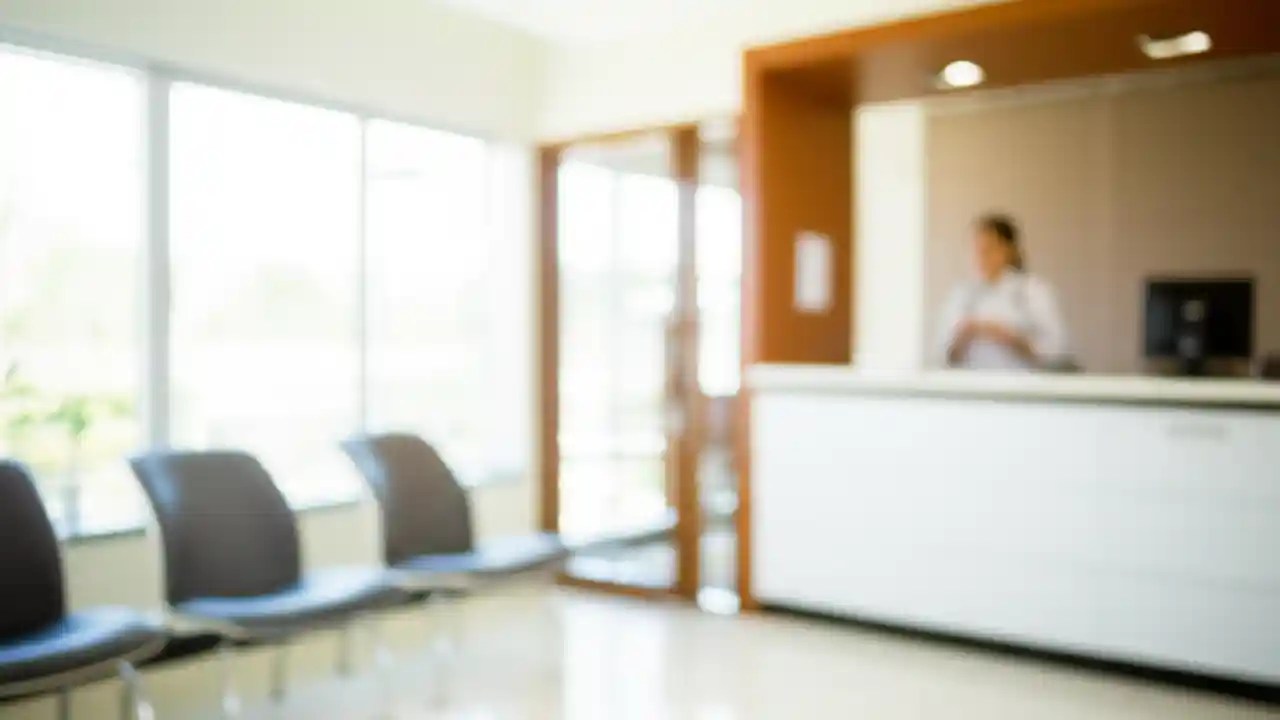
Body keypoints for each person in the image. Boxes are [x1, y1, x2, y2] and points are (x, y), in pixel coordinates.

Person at [938, 214, 1070, 371]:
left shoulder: (1032, 291)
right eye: (978, 249)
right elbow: (944, 356)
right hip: (973, 389)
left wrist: (1012, 339)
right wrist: (963, 336)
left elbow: (1056, 351)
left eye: (989, 249)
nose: (981, 256)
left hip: (1022, 388)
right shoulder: (962, 295)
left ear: (1009, 250)